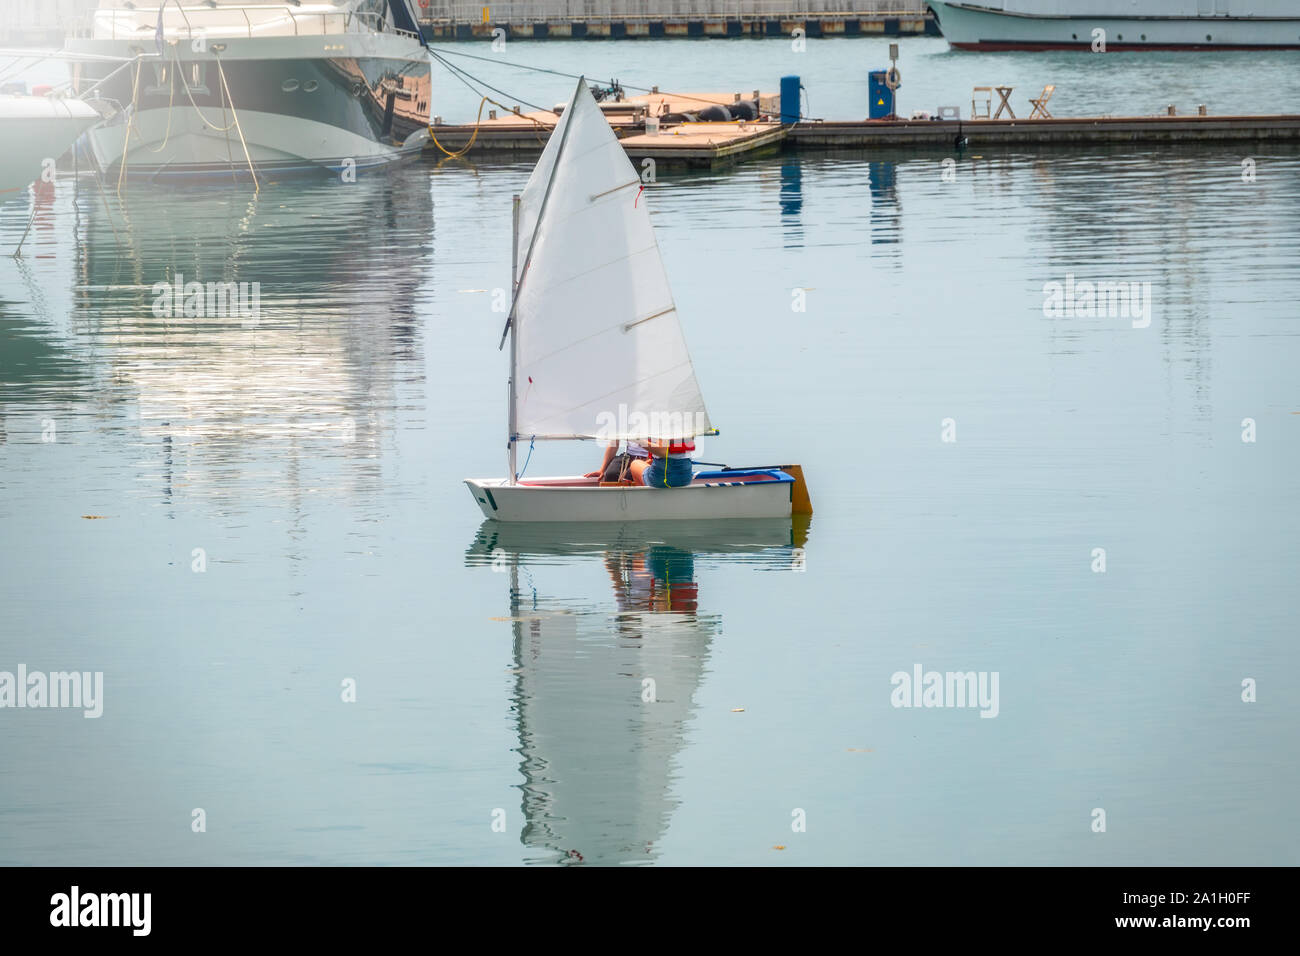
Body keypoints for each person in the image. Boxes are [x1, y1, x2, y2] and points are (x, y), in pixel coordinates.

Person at [627, 436, 695, 488]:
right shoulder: (686, 425)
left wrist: (637, 440)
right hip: (685, 478)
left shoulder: (665, 423)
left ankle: (646, 502)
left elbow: (662, 452)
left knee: (634, 464)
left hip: (661, 479)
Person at [585, 439, 649, 483]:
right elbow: (614, 443)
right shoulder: (623, 420)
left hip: (650, 457)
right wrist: (602, 470)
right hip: (628, 456)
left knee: (628, 476)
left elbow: (658, 451)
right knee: (610, 474)